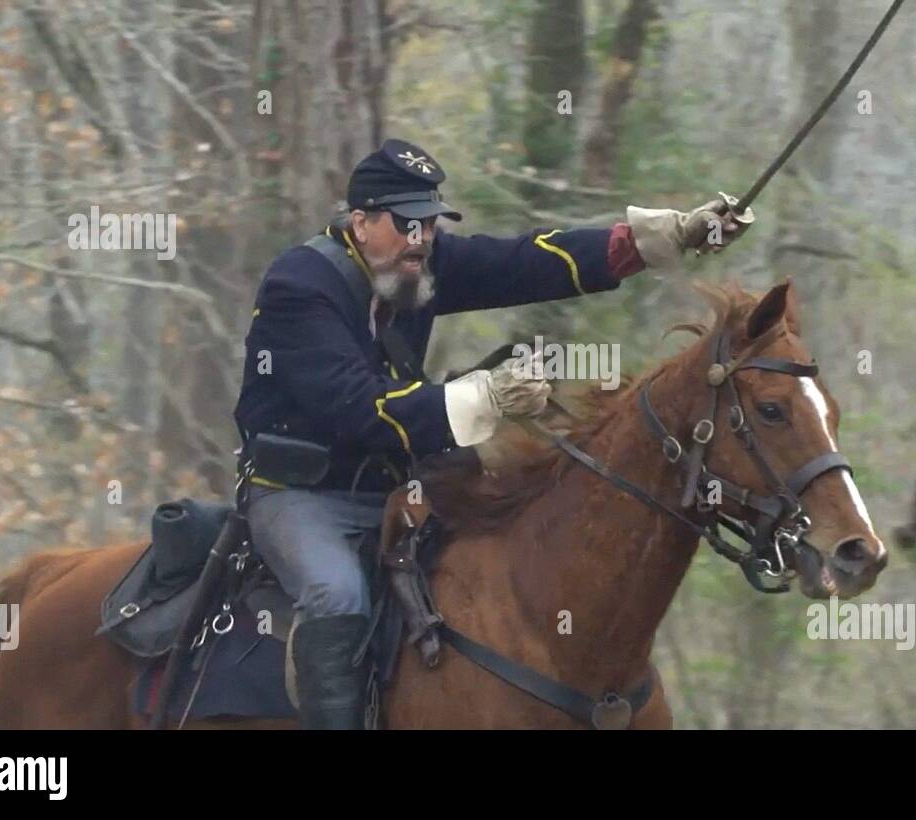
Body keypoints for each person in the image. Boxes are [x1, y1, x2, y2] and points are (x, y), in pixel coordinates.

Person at [232, 138, 753, 728]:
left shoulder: (415, 265)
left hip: (397, 490)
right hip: (301, 496)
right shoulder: (298, 286)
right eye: (407, 223)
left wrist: (668, 237)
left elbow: (525, 261)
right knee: (336, 596)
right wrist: (486, 396)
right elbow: (357, 408)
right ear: (361, 222)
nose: (421, 238)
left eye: (429, 223)